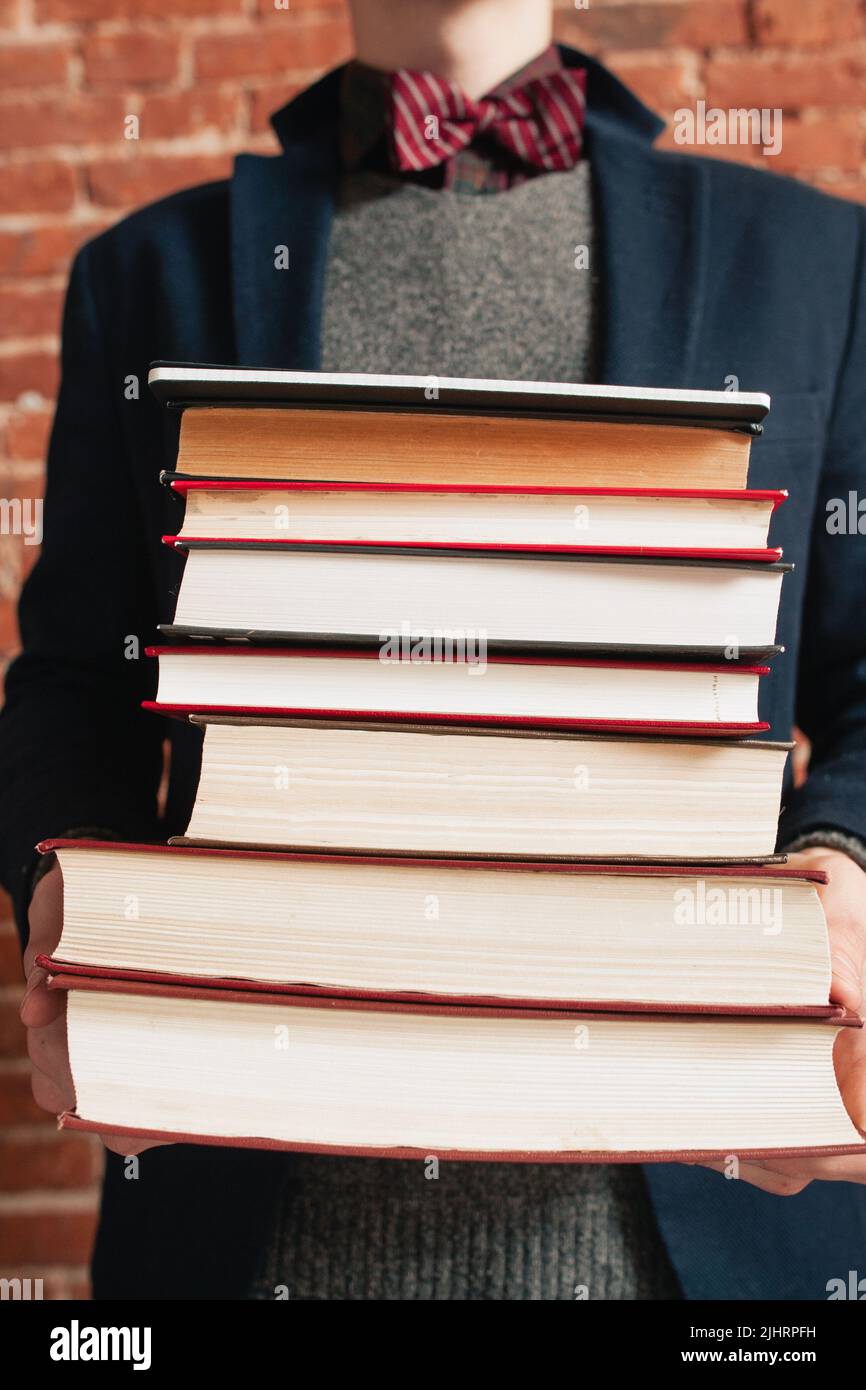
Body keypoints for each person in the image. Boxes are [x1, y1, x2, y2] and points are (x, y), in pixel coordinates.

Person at [3, 0, 866, 1301]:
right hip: (246, 1217)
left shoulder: (812, 259)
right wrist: (75, 908)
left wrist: (841, 868)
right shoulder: (144, 272)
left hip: (704, 1241)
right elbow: (70, 681)